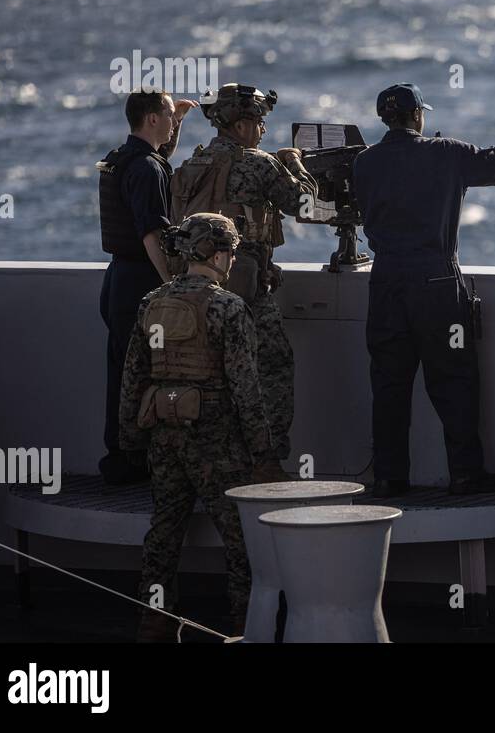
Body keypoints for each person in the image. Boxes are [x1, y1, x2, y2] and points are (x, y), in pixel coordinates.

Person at [352, 82, 495, 497]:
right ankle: (464, 475)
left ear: (384, 118)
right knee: (453, 380)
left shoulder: (365, 163)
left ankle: (388, 477)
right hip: (436, 281)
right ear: (419, 115)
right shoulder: (445, 154)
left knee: (389, 384)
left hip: (386, 281)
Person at [118, 213, 277, 641]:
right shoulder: (228, 307)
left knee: (163, 535)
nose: (231, 259)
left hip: (165, 437)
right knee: (241, 541)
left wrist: (130, 438)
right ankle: (247, 626)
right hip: (217, 442)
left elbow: (134, 376)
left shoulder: (152, 303)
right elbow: (246, 387)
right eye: (229, 250)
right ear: (214, 252)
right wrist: (262, 452)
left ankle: (155, 620)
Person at [169, 83, 316, 470]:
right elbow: (304, 203)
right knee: (271, 368)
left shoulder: (193, 165)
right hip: (244, 290)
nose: (263, 131)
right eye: (260, 121)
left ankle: (210, 461)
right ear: (243, 123)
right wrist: (295, 162)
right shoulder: (258, 162)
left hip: (193, 291)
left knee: (210, 375)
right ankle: (266, 462)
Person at [97, 88, 197, 485]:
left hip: (118, 279)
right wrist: (172, 283)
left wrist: (182, 118)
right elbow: (152, 233)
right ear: (153, 119)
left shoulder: (123, 158)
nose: (173, 120)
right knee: (140, 374)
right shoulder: (145, 169)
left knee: (121, 370)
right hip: (140, 280)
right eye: (170, 115)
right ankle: (131, 461)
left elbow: (159, 160)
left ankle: (120, 456)